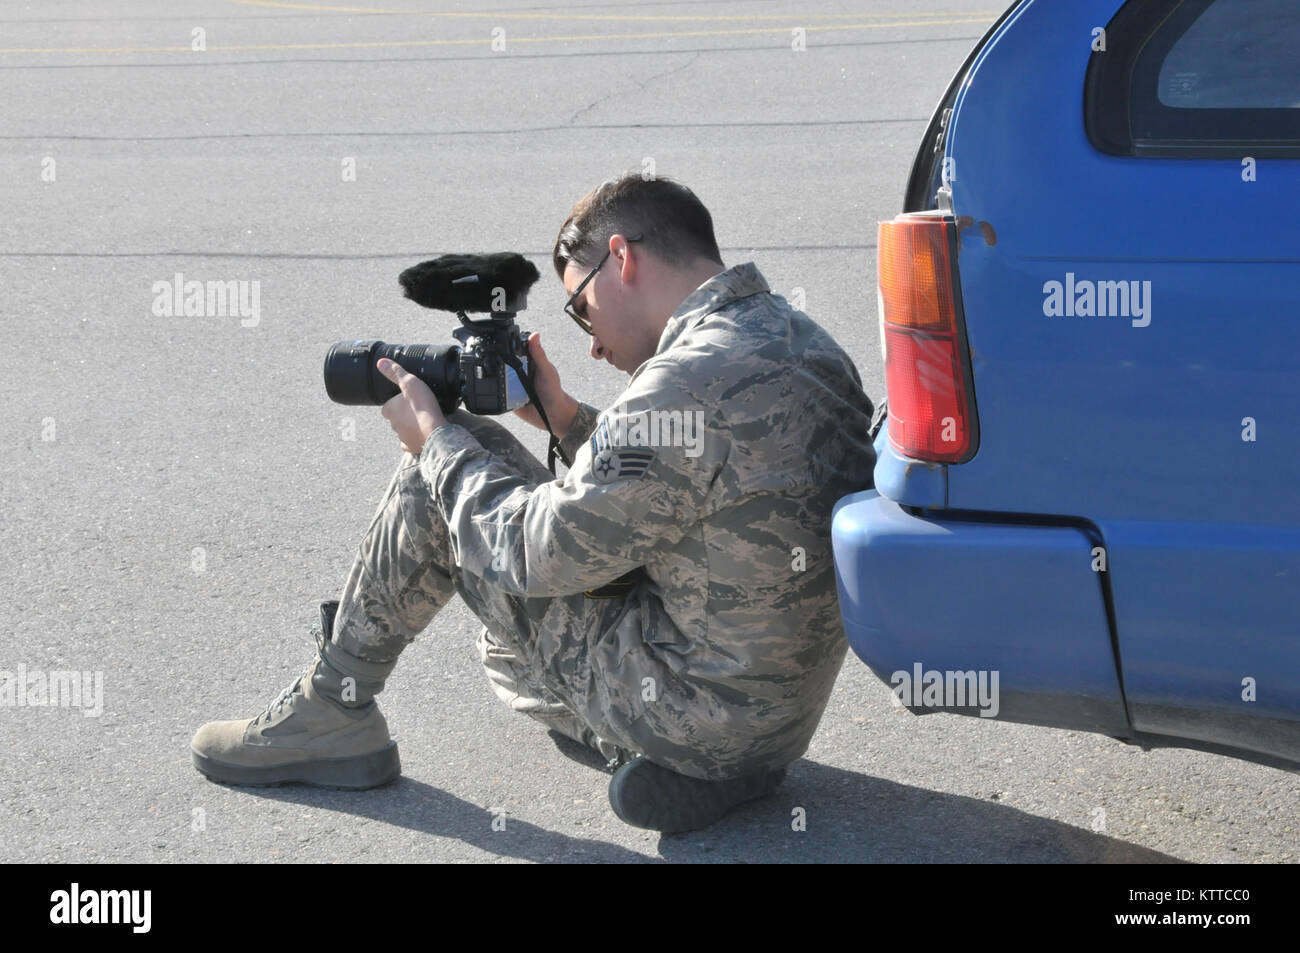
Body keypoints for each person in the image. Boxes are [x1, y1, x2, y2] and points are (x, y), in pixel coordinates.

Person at [191, 173, 877, 833]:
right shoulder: (798, 338)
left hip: (693, 707)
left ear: (621, 258)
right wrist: (567, 417)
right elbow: (691, 485)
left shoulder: (680, 380)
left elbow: (530, 555)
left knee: (449, 476)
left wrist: (435, 441)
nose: (592, 340)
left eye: (580, 306)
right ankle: (713, 768)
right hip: (779, 714)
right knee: (503, 651)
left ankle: (333, 711)